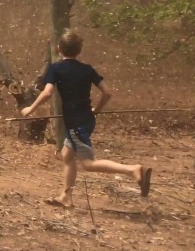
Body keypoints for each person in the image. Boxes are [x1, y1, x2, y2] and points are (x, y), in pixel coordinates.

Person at [20, 30, 152, 208]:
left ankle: (132, 169)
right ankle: (66, 197)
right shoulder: (87, 69)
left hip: (76, 124)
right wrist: (96, 110)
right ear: (79, 50)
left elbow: (48, 92)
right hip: (86, 120)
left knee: (88, 164)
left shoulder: (56, 68)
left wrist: (30, 109)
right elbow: (107, 93)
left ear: (59, 48)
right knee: (67, 155)